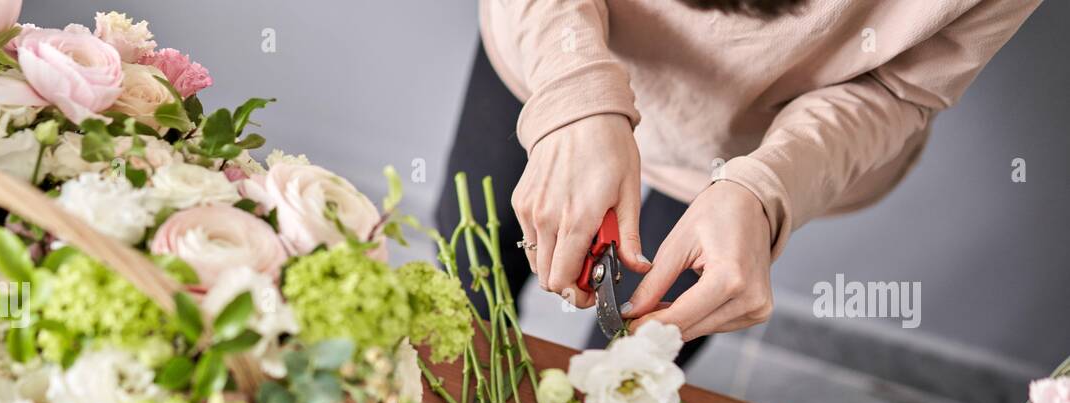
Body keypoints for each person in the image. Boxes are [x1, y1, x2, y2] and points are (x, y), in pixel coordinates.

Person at [439, 0, 1041, 357]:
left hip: (746, 153)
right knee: (468, 269)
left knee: (634, 356)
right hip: (556, 45)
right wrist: (573, 93)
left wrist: (763, 191)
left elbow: (898, 85)